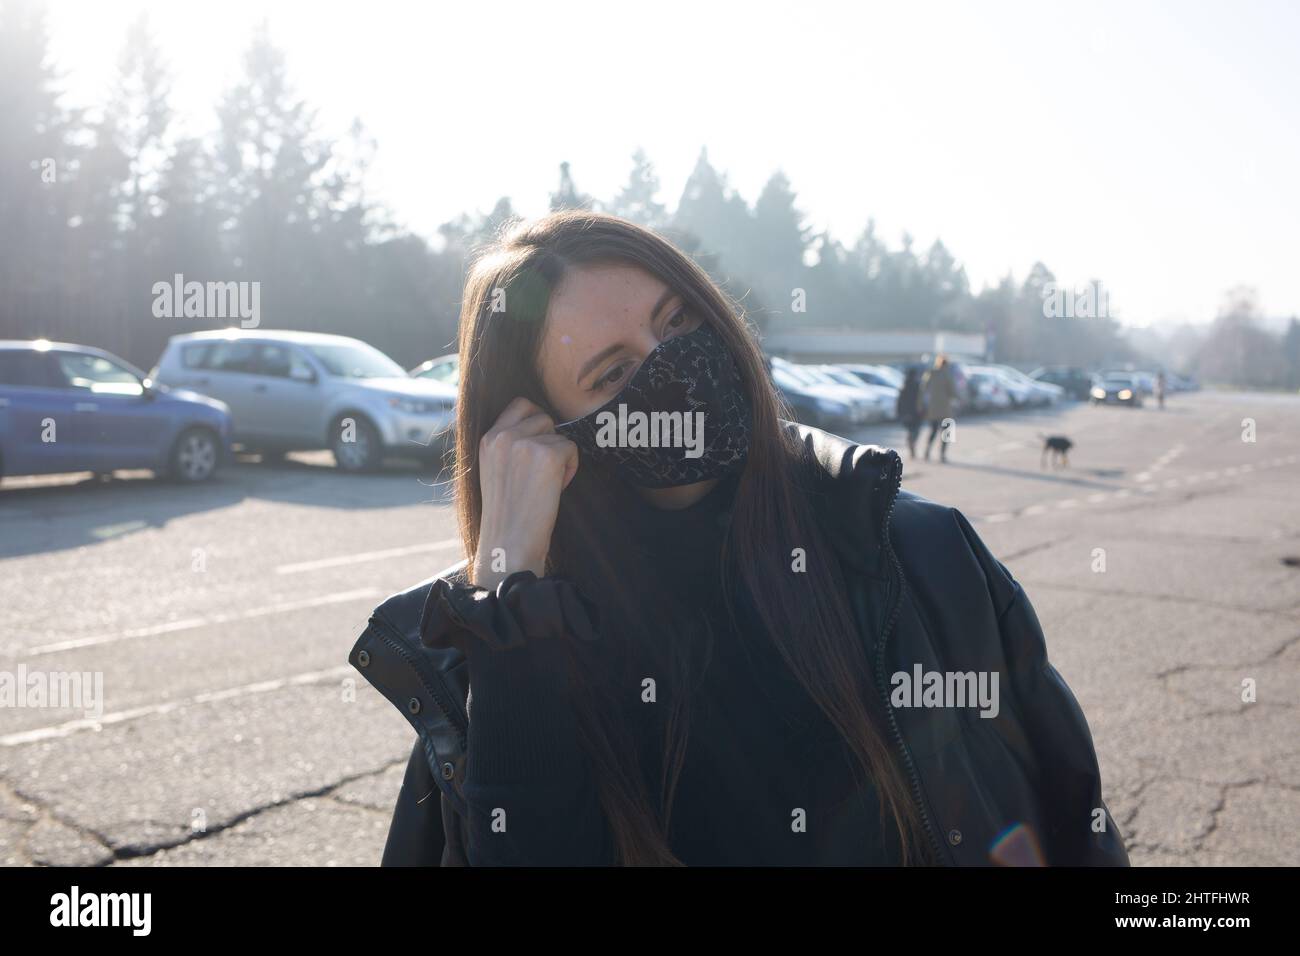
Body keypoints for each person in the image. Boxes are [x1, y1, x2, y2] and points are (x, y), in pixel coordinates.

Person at [350, 210, 1129, 867]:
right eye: (613, 375)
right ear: (550, 437)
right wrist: (509, 592)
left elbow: (1074, 823)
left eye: (678, 320)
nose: (675, 368)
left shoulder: (917, 554)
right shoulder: (497, 645)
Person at [921, 354, 957, 462]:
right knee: (946, 433)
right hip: (945, 409)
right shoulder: (947, 375)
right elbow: (952, 392)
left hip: (933, 408)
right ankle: (942, 454)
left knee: (932, 430)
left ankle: (927, 451)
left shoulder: (930, 373)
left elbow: (924, 388)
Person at [896, 366, 924, 458]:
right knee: (915, 431)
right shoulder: (917, 386)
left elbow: (899, 402)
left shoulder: (904, 386)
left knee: (911, 431)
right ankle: (911, 444)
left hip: (907, 414)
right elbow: (921, 400)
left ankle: (910, 443)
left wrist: (899, 413)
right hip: (916, 413)